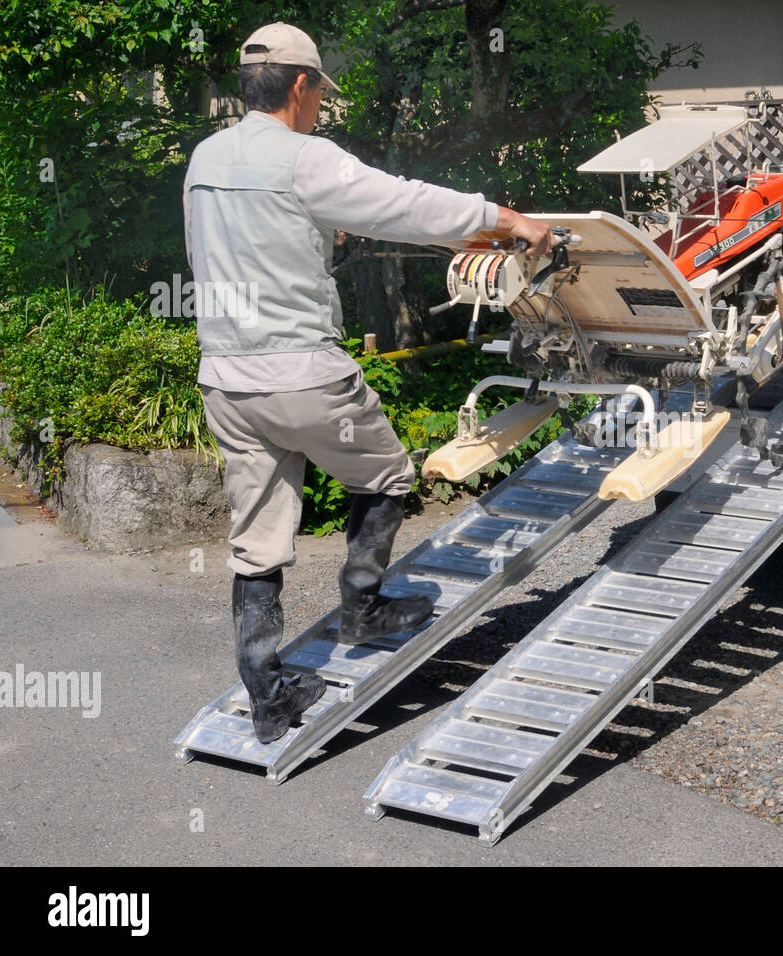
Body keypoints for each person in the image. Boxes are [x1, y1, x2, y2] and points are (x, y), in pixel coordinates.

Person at [184, 22, 553, 744]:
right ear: (299, 85)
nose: (320, 103)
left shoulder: (204, 156)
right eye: (319, 90)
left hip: (225, 379)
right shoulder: (304, 158)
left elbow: (223, 246)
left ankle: (268, 695)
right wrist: (505, 221)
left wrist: (314, 235)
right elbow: (405, 203)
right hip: (300, 376)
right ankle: (363, 607)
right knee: (386, 475)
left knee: (257, 542)